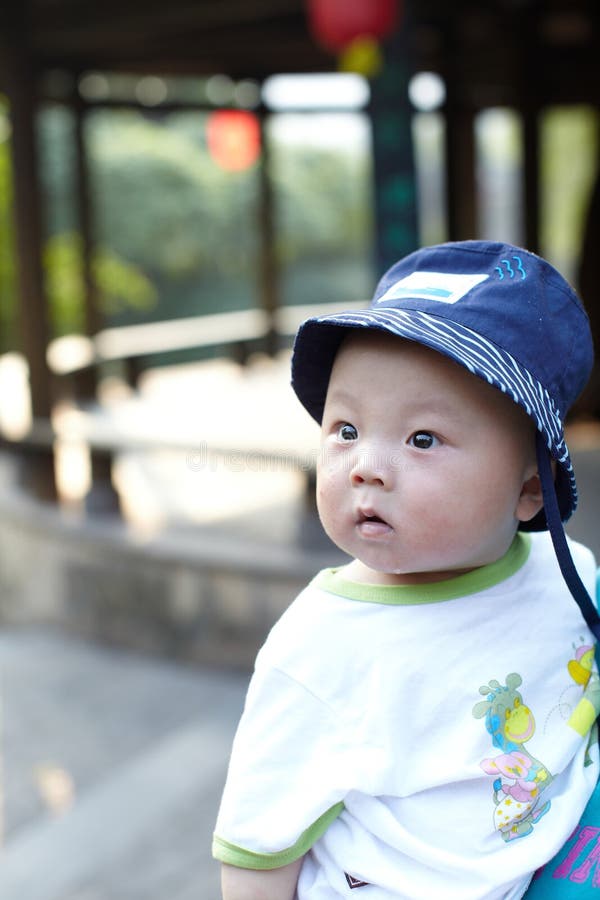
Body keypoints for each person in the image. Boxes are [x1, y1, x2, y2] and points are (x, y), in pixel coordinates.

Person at [212, 240, 600, 899]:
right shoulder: (321, 651)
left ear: (530, 488)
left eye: (422, 438)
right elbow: (257, 851)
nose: (365, 465)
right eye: (345, 429)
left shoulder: (571, 579)